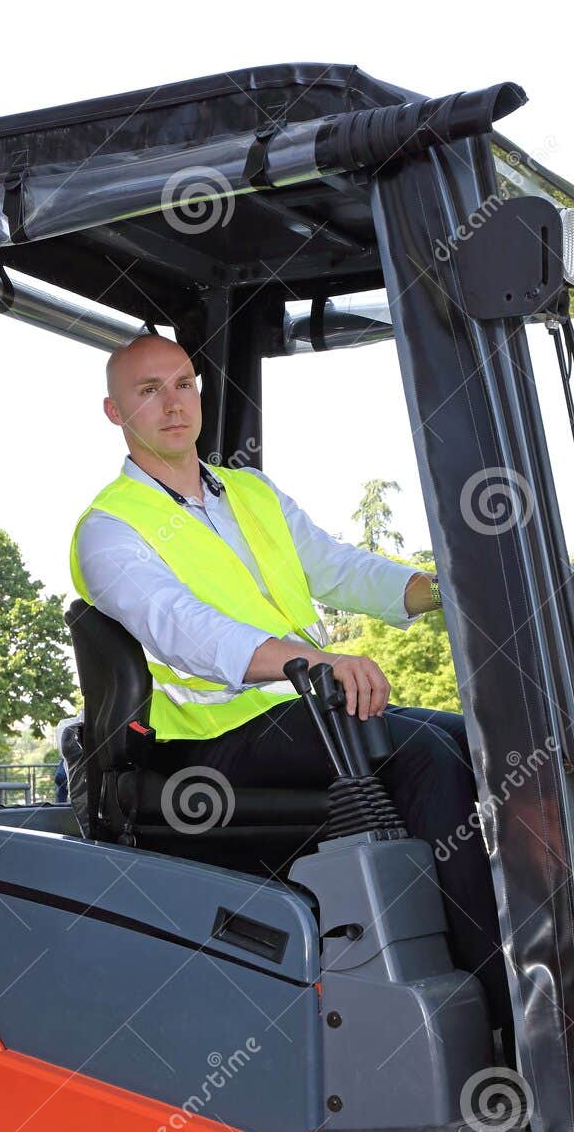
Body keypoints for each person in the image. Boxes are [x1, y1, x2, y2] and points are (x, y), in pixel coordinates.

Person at [71, 333, 510, 1048]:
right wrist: (315, 661)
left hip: (302, 712)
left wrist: (448, 591)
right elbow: (183, 630)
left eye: (183, 384)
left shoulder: (248, 493)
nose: (173, 404)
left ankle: (535, 950)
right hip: (209, 745)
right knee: (422, 758)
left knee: (478, 738)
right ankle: (503, 1011)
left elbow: (337, 566)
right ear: (115, 412)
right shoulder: (110, 528)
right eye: (148, 391)